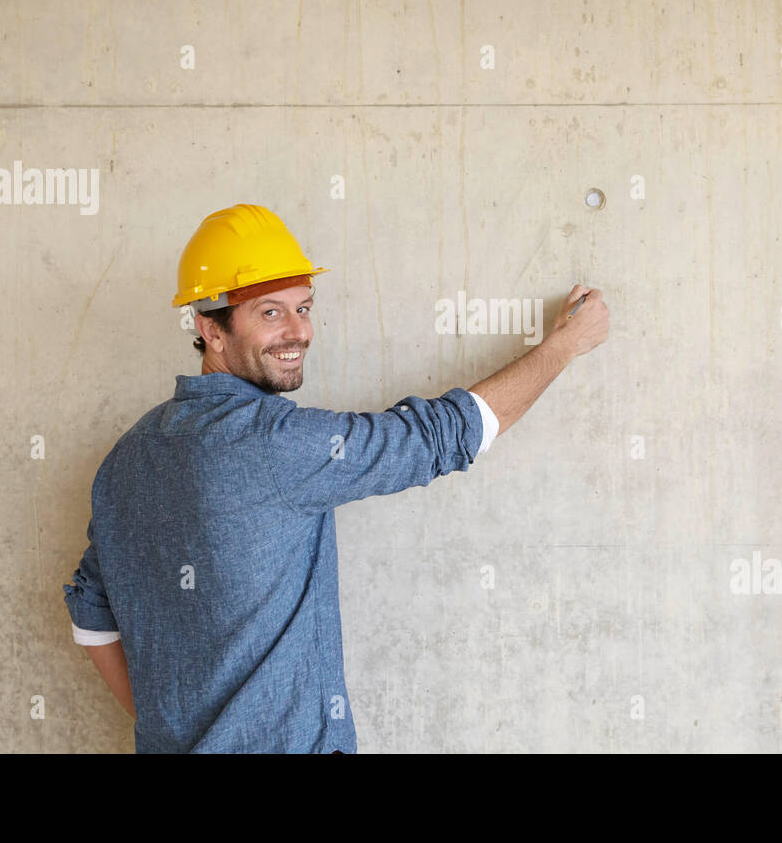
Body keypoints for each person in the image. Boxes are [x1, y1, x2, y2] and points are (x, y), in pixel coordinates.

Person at [62, 204, 610, 752]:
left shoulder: (127, 458)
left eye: (304, 307)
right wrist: (565, 346)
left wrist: (178, 727)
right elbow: (441, 437)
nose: (299, 331)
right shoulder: (275, 443)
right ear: (211, 329)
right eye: (270, 313)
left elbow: (90, 609)